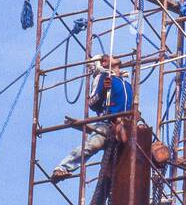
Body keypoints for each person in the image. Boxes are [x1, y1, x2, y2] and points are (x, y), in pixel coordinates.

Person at [51, 54, 133, 182]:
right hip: (108, 122)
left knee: (141, 146)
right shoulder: (103, 77)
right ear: (104, 64)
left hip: (126, 124)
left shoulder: (125, 83)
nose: (113, 56)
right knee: (93, 145)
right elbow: (92, 103)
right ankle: (62, 168)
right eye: (108, 57)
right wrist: (103, 91)